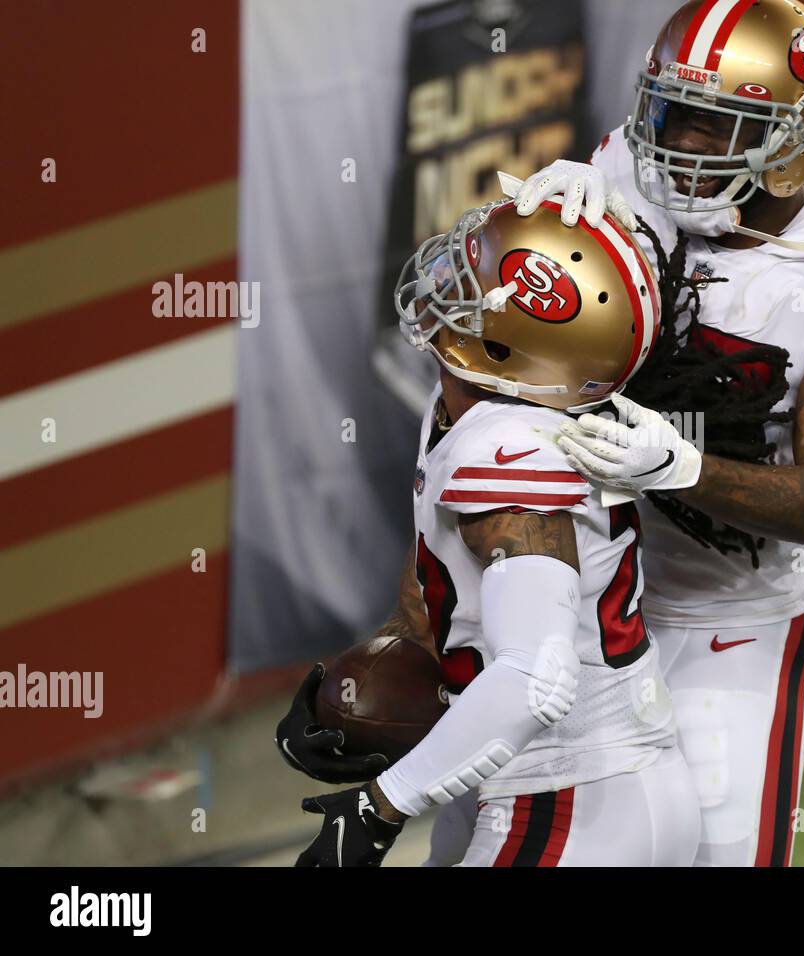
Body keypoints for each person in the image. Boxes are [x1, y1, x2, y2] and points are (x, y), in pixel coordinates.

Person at [513, 0, 804, 866]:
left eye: (722, 126)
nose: (685, 146)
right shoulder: (617, 175)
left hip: (726, 623)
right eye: (674, 115)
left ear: (794, 140)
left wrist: (678, 466)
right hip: (582, 609)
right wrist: (530, 247)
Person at [288, 196, 699, 866]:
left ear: (516, 339)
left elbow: (537, 677)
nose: (450, 282)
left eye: (475, 279)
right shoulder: (475, 408)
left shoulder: (508, 446)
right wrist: (348, 698)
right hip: (567, 786)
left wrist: (378, 809)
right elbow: (443, 603)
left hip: (569, 800)